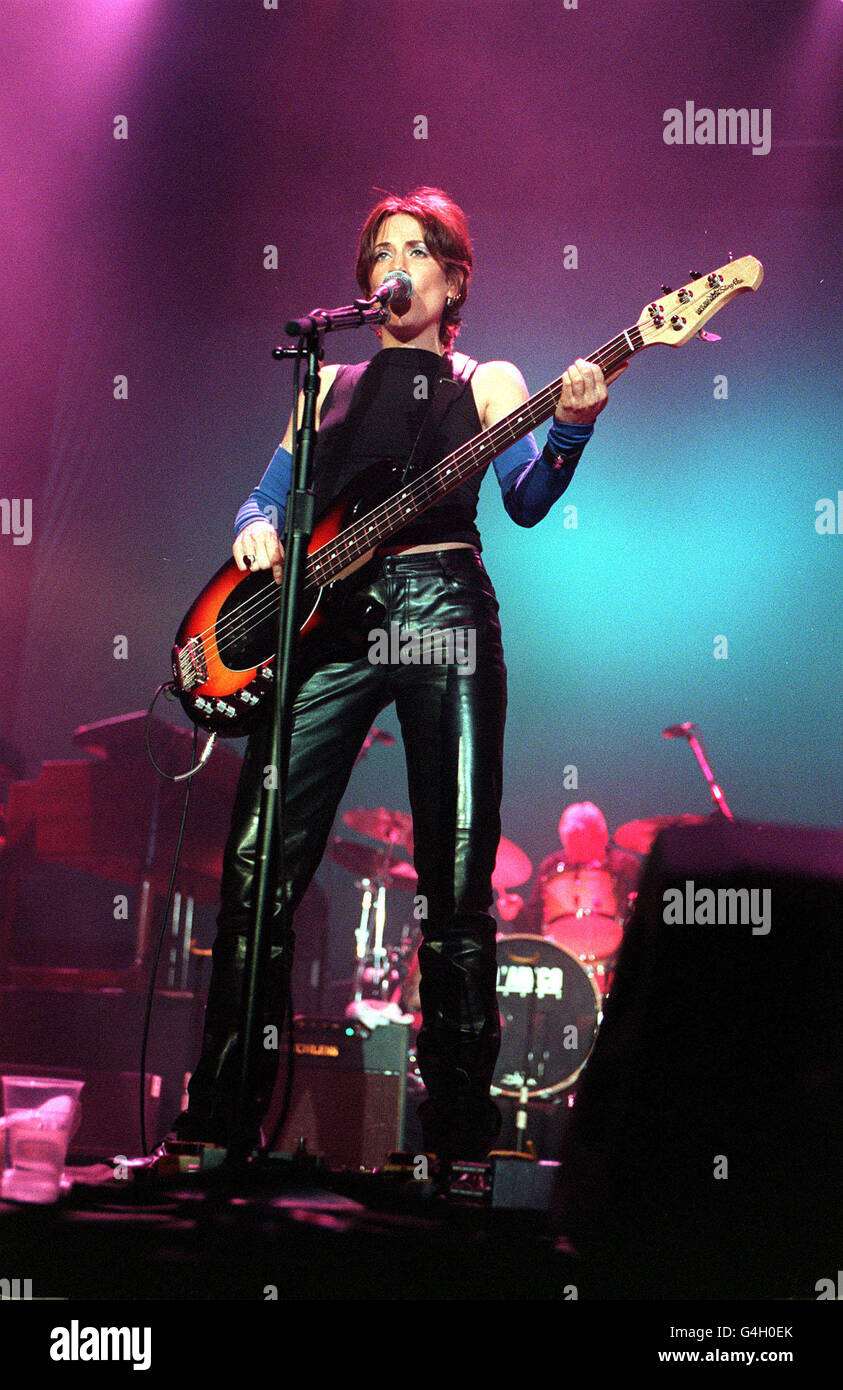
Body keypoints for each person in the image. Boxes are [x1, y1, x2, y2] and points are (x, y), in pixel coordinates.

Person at [169, 187, 622, 1165]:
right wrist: (253, 524)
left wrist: (575, 426)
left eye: (416, 249)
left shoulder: (487, 377)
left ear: (454, 276)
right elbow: (267, 489)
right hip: (328, 624)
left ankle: (457, 1143)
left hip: (439, 607)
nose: (394, 263)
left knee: (457, 885)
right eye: (381, 249)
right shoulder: (327, 386)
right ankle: (217, 1124)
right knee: (255, 870)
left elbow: (530, 498)